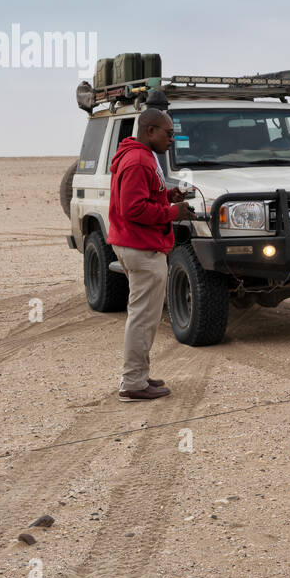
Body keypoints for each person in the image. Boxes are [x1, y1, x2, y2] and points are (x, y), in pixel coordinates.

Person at [106, 108, 195, 402]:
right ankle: (132, 383)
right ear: (150, 131)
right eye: (168, 133)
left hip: (137, 244)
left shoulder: (140, 156)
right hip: (141, 247)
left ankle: (139, 375)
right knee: (143, 318)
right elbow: (132, 209)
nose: (172, 139)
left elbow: (143, 197)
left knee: (144, 316)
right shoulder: (138, 161)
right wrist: (173, 212)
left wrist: (169, 196)